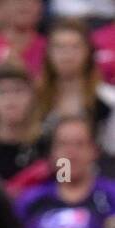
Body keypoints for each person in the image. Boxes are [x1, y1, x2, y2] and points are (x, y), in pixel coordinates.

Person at [15, 115, 115, 228]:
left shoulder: (110, 195)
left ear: (94, 151)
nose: (71, 153)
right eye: (63, 145)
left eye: (79, 144)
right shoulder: (31, 199)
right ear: (52, 153)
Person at [39, 18, 115, 150]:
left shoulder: (109, 100)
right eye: (59, 47)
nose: (67, 55)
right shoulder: (34, 98)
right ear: (48, 53)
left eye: (75, 47)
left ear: (88, 52)